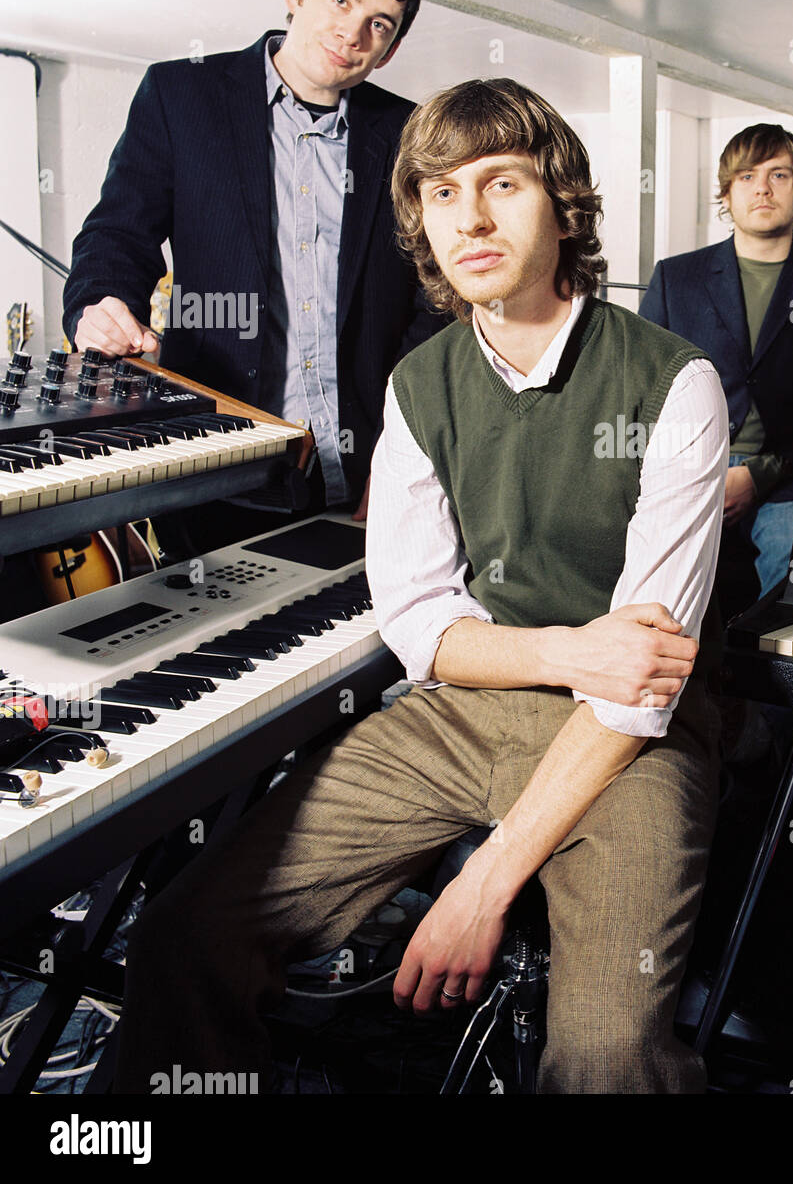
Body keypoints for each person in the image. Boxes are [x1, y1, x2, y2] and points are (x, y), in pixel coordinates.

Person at [113, 78, 729, 1094]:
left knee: (610, 1056)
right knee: (188, 934)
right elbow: (417, 620)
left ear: (563, 200)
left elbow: (634, 688)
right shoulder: (421, 384)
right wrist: (567, 649)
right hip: (467, 712)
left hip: (625, 744)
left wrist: (484, 884)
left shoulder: (673, 383)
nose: (470, 218)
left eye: (502, 183)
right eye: (442, 194)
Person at [62, 0, 441, 541]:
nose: (352, 32)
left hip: (368, 477)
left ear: (392, 48)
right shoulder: (181, 93)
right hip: (214, 465)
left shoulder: (410, 133)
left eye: (380, 24)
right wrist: (99, 304)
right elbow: (117, 234)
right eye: (340, 0)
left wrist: (405, 447)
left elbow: (434, 299)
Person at [641, 124, 793, 617]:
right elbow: (641, 392)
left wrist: (762, 472)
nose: (763, 188)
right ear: (726, 193)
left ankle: (768, 691)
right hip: (691, 472)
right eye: (747, 176)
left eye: (780, 174)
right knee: (650, 590)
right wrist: (700, 474)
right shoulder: (676, 278)